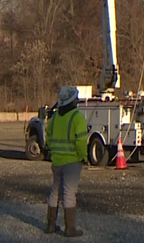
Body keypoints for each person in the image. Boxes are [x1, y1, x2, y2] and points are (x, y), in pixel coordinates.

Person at [46, 86, 88, 237]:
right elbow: (81, 141)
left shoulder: (54, 118)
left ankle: (50, 225)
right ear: (73, 100)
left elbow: (48, 138)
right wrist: (84, 157)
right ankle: (70, 228)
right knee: (69, 193)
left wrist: (53, 150)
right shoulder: (77, 117)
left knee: (55, 191)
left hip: (56, 161)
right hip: (72, 161)